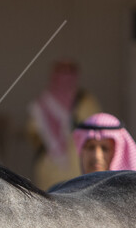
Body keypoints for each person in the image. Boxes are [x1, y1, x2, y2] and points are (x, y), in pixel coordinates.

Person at [26, 60, 100, 190]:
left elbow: (96, 127)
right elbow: (33, 132)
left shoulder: (85, 100)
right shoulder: (43, 102)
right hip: (49, 164)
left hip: (78, 162)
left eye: (69, 74)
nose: (65, 80)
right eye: (61, 73)